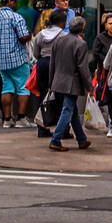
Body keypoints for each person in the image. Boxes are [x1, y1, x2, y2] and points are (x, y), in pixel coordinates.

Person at [48, 16, 93, 152]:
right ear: (82, 29)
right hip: (71, 83)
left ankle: (82, 140)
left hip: (58, 81)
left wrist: (51, 82)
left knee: (72, 112)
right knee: (67, 111)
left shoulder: (58, 40)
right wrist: (90, 86)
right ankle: (55, 139)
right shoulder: (81, 44)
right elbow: (83, 68)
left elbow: (52, 63)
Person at [0, 0, 32, 128]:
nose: (16, 4)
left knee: (6, 88)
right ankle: (21, 118)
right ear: (10, 2)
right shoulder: (16, 17)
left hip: (0, 60)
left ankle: (7, 119)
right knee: (23, 87)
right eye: (15, 1)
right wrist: (30, 34)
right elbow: (23, 37)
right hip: (17, 58)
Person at [29, 8, 68, 137]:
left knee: (43, 96)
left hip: (43, 64)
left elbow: (35, 52)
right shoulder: (63, 35)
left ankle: (42, 128)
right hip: (58, 65)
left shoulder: (41, 34)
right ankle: (62, 130)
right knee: (61, 97)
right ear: (62, 22)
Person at [91, 12, 112, 134]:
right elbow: (95, 53)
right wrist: (107, 60)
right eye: (110, 23)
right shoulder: (100, 38)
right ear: (106, 25)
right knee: (109, 99)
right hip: (105, 73)